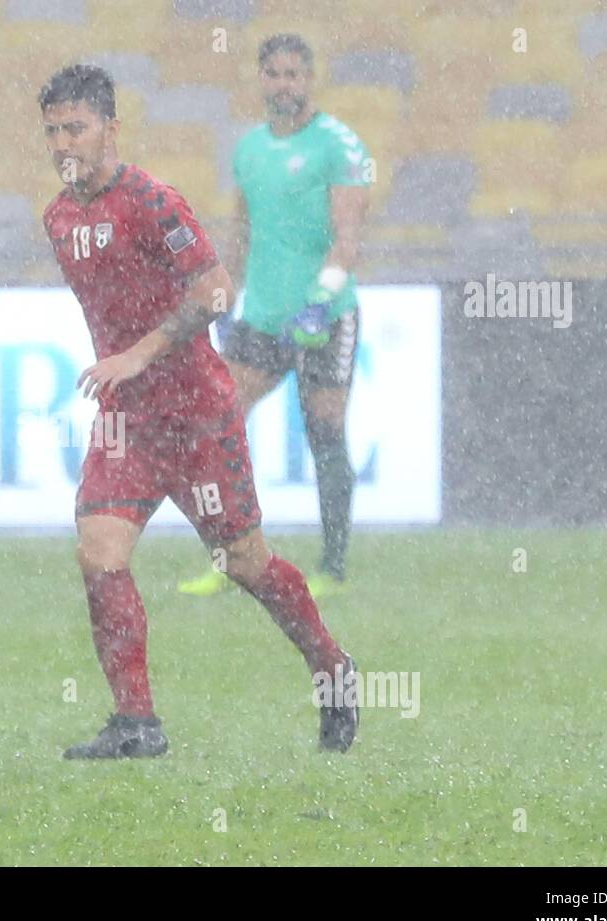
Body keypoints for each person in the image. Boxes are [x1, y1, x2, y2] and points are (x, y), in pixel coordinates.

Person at [39, 63, 358, 758]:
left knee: (245, 563)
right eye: (53, 131)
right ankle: (137, 724)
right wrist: (127, 369)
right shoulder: (59, 218)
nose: (64, 143)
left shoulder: (153, 201)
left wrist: (141, 352)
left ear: (110, 128)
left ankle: (332, 670)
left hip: (196, 418)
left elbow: (215, 292)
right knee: (99, 553)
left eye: (77, 128)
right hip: (128, 420)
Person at [179, 34, 371, 601]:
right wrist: (225, 294)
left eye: (293, 74)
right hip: (263, 317)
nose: (284, 84)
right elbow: (240, 232)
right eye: (274, 74)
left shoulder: (339, 145)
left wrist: (319, 299)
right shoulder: (249, 151)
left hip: (325, 316)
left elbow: (349, 238)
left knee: (325, 431)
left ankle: (332, 567)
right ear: (260, 79)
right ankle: (229, 557)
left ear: (309, 79)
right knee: (219, 426)